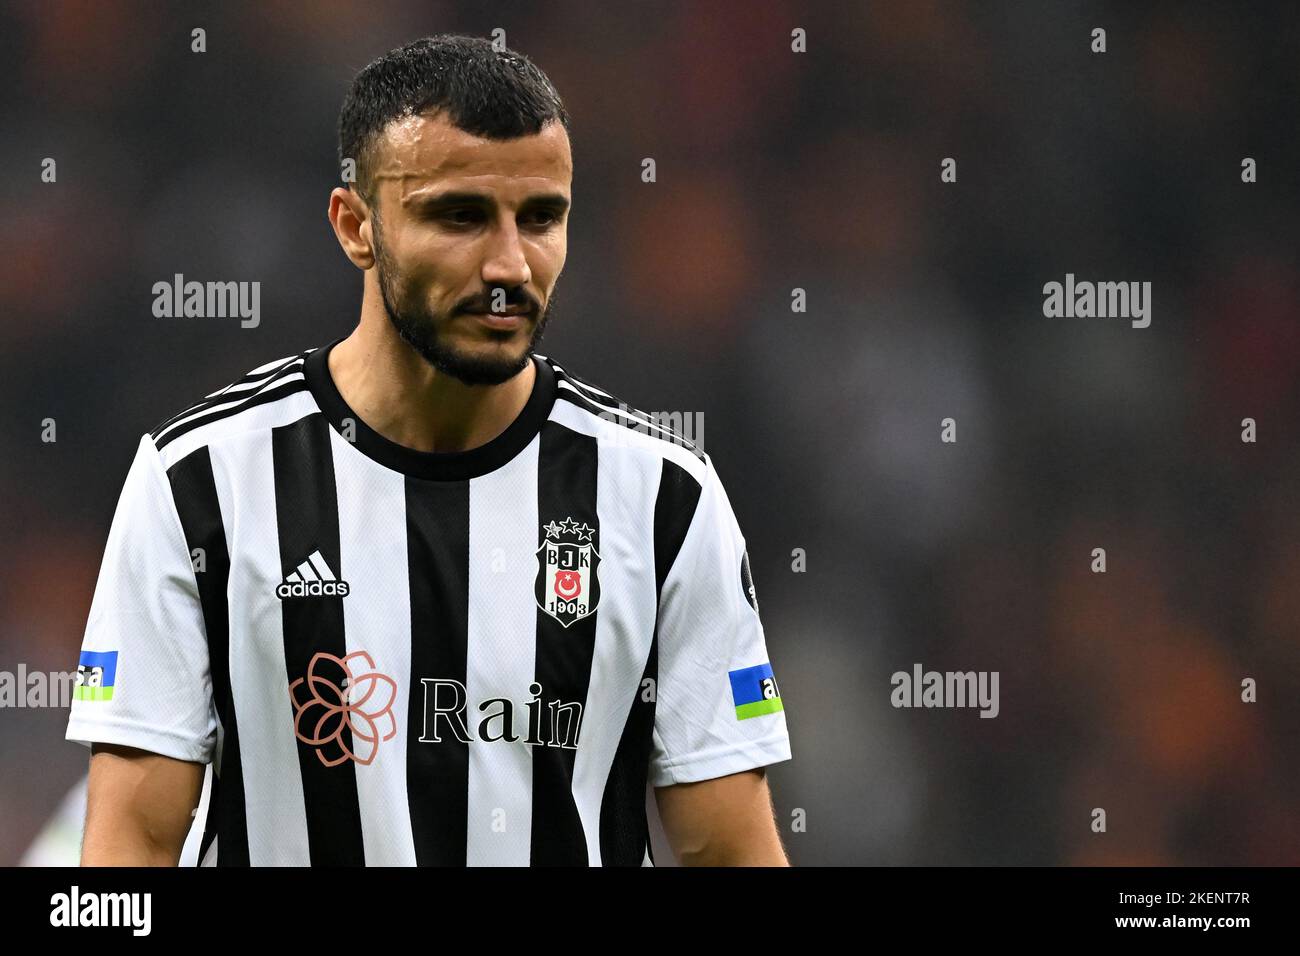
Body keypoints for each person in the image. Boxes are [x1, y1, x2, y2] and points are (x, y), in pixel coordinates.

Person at [66, 34, 791, 866]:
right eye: (460, 215)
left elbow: (729, 849)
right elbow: (133, 840)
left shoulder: (665, 497)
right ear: (356, 226)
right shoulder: (200, 482)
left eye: (541, 217)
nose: (509, 264)